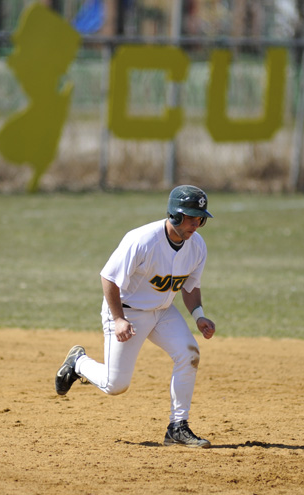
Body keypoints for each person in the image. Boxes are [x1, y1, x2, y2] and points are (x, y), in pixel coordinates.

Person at [55, 185, 217, 448]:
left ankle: (177, 427)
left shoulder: (197, 246)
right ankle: (78, 363)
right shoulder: (142, 240)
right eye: (190, 217)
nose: (196, 225)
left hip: (163, 311)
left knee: (189, 354)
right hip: (127, 312)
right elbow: (108, 277)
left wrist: (198, 315)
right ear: (174, 215)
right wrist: (118, 319)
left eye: (200, 219)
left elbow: (190, 286)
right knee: (115, 385)